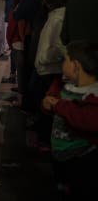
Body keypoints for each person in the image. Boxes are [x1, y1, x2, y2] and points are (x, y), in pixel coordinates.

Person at [41, 40, 98, 200]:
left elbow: (86, 119)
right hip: (59, 155)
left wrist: (58, 105)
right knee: (62, 185)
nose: (61, 64)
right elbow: (53, 101)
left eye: (64, 60)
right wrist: (47, 104)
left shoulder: (93, 95)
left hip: (81, 160)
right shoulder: (64, 85)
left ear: (75, 66)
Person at [33, 0, 70, 150]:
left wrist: (44, 58)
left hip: (50, 70)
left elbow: (58, 47)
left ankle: (46, 141)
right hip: (47, 68)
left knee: (47, 109)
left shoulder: (59, 18)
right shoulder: (55, 15)